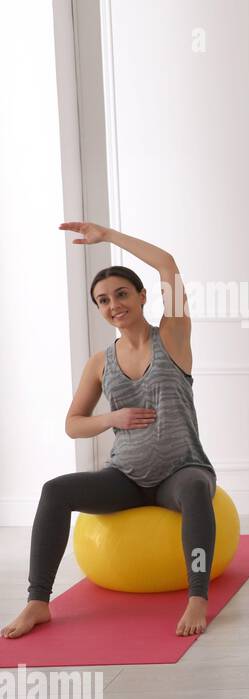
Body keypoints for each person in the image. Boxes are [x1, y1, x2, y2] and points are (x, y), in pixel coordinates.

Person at [3, 223, 218, 639]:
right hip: (124, 477)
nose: (113, 304)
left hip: (181, 470)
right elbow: (73, 424)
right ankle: (37, 602)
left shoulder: (172, 336)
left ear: (141, 296)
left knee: (194, 488)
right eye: (103, 300)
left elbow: (167, 264)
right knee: (55, 490)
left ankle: (197, 596)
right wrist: (110, 420)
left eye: (122, 293)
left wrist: (108, 237)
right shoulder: (99, 363)